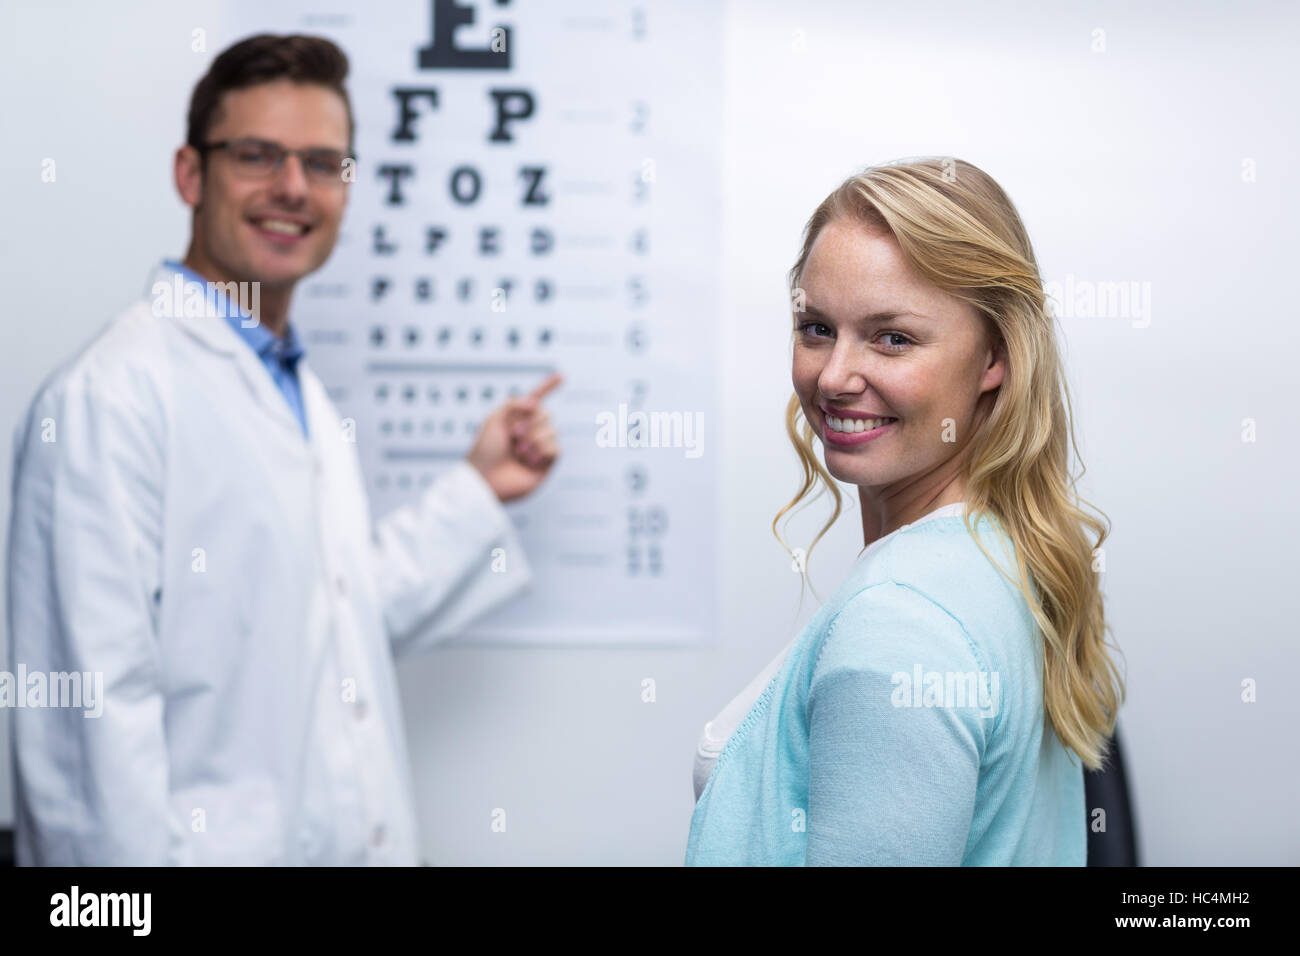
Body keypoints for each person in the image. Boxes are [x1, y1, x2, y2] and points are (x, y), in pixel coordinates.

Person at [6, 33, 561, 865]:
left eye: (323, 162)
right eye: (258, 155)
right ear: (191, 173)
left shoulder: (288, 383)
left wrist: (478, 491)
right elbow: (87, 739)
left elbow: (328, 618)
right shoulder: (109, 400)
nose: (294, 188)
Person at [686, 158, 1124, 865]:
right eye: (817, 328)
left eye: (893, 338)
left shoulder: (899, 627)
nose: (832, 377)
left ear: (995, 357)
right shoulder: (1004, 556)